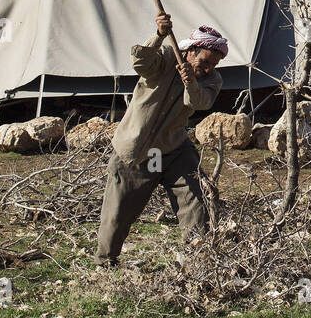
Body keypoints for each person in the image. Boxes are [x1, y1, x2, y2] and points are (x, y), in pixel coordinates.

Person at [96, 16, 228, 265]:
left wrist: (191, 82)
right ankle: (105, 263)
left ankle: (197, 260)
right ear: (190, 51)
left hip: (173, 149)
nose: (209, 68)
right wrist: (158, 34)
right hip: (137, 151)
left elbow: (199, 102)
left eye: (214, 64)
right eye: (205, 61)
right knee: (118, 213)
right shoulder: (166, 57)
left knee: (196, 200)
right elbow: (141, 61)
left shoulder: (211, 80)